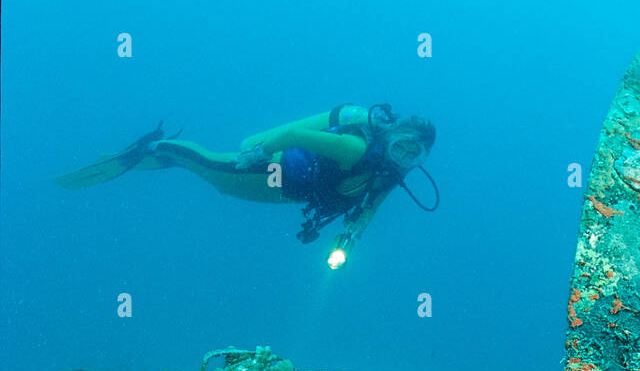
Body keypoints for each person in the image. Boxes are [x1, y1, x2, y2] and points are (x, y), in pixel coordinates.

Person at [54, 104, 438, 264]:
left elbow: (369, 209)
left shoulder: (391, 174)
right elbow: (296, 135)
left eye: (413, 153)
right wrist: (259, 152)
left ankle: (169, 158)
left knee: (211, 177)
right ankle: (156, 145)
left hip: (291, 193)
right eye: (401, 146)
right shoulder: (355, 148)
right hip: (274, 170)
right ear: (391, 136)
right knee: (211, 167)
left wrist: (348, 241)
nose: (403, 155)